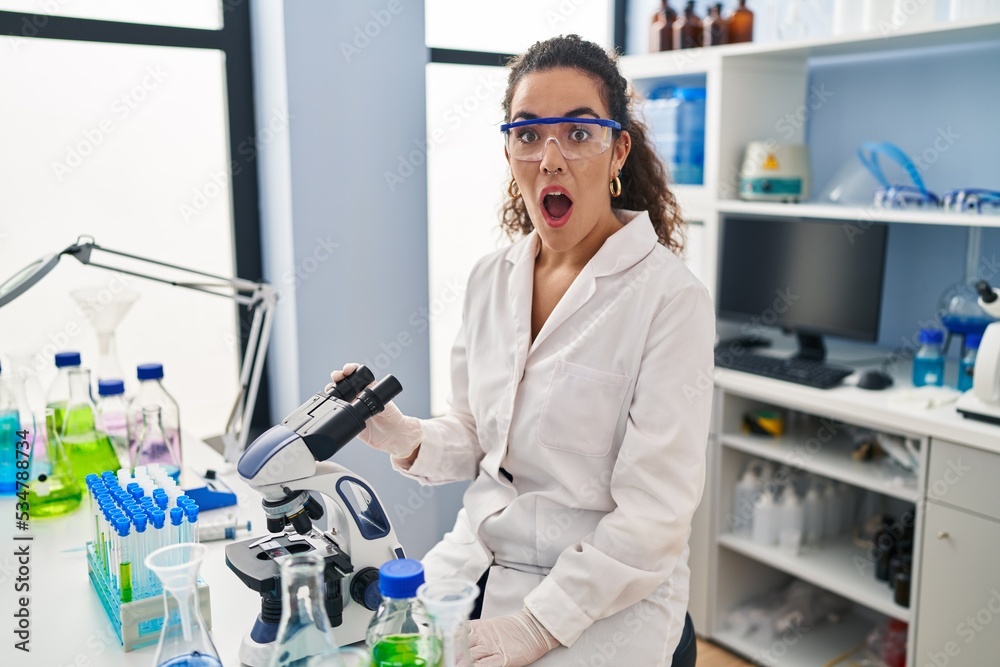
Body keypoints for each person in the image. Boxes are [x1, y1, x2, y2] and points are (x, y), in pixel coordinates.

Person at [329, 34, 714, 666]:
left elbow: (655, 517)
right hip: (474, 562)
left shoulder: (671, 301)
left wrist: (534, 627)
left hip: (606, 598)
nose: (551, 157)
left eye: (579, 133)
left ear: (619, 149)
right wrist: (410, 438)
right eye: (528, 134)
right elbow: (481, 433)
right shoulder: (492, 279)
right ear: (508, 149)